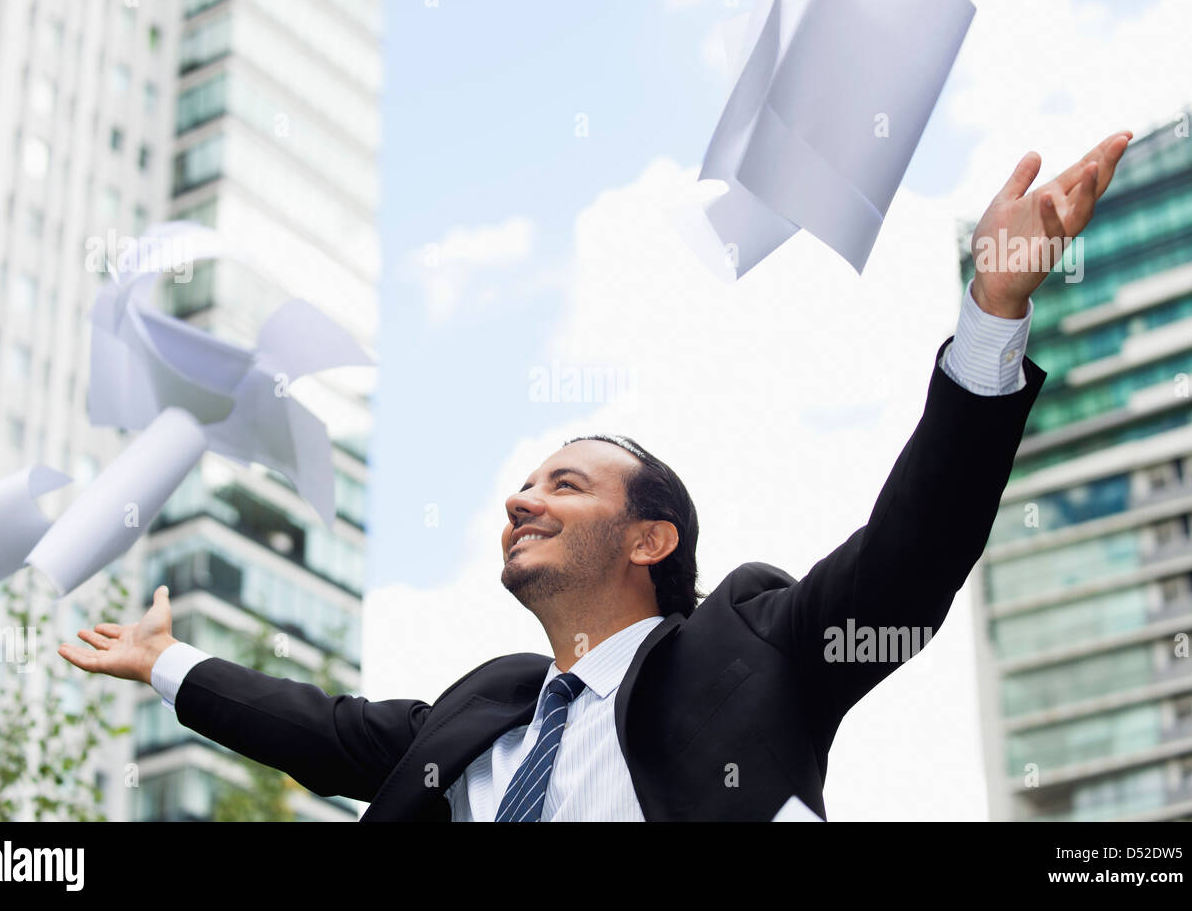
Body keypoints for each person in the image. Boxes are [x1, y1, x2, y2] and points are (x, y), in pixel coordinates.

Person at [60, 131, 1133, 820]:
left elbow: (911, 559)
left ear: (650, 538)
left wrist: (991, 314)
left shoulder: (752, 645)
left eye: (566, 485)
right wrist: (167, 664)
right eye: (526, 483)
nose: (521, 499)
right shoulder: (488, 708)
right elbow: (329, 732)